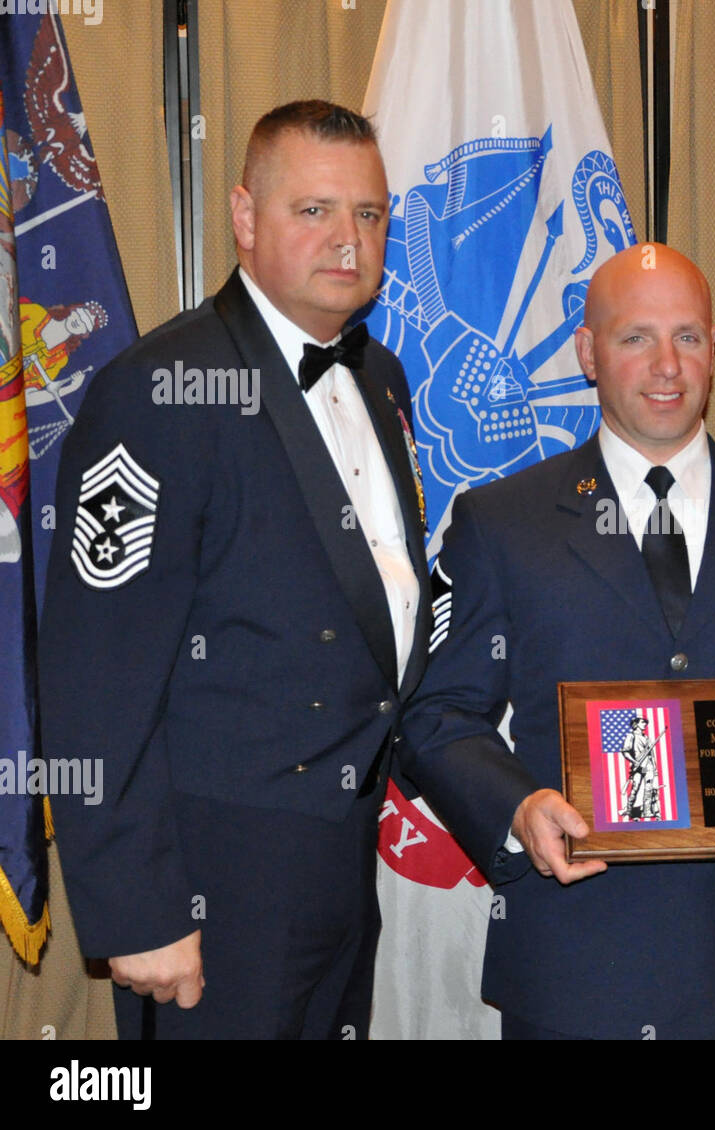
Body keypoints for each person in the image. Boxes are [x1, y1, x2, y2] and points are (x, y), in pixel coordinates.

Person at [399, 243, 715, 1039]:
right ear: (588, 353)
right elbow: (436, 714)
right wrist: (518, 809)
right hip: (570, 963)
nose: (667, 365)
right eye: (635, 338)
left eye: (688, 337)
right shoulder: (500, 524)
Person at [39, 101, 431, 1039]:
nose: (349, 240)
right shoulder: (157, 392)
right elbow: (93, 675)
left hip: (341, 872)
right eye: (315, 212)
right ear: (245, 218)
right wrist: (139, 910)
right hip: (212, 899)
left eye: (370, 215)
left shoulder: (380, 380)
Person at [620, 715, 660, 820]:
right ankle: (629, 811)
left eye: (646, 722)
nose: (645, 724)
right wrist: (634, 761)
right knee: (635, 788)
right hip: (637, 767)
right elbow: (625, 751)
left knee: (648, 789)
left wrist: (654, 768)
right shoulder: (631, 736)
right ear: (636, 723)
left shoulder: (647, 738)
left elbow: (651, 754)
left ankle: (647, 812)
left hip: (648, 767)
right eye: (643, 722)